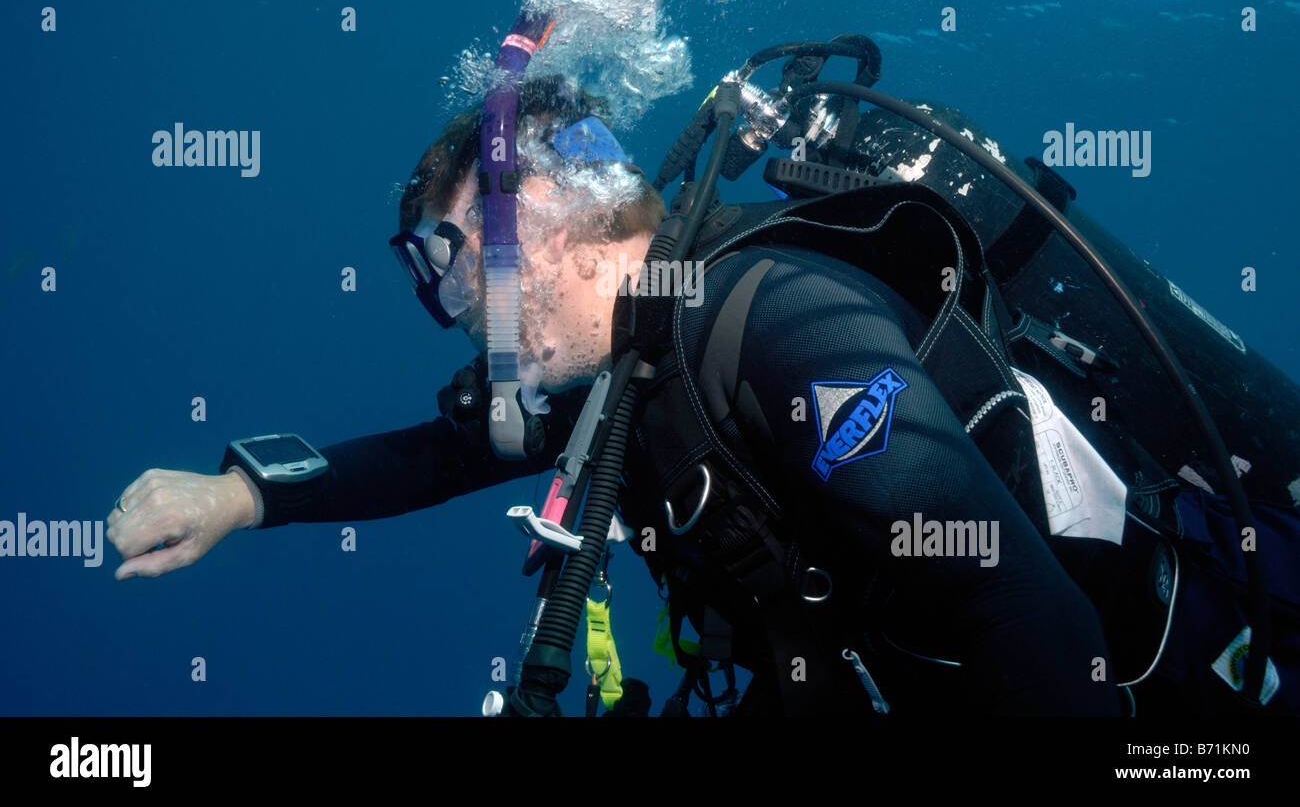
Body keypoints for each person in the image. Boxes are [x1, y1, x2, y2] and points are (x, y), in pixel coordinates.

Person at [107, 38, 1299, 717]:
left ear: (551, 224)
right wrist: (241, 497)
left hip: (1171, 701)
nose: (448, 307)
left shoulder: (779, 325)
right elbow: (435, 457)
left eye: (450, 257)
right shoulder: (614, 378)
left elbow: (1005, 594)